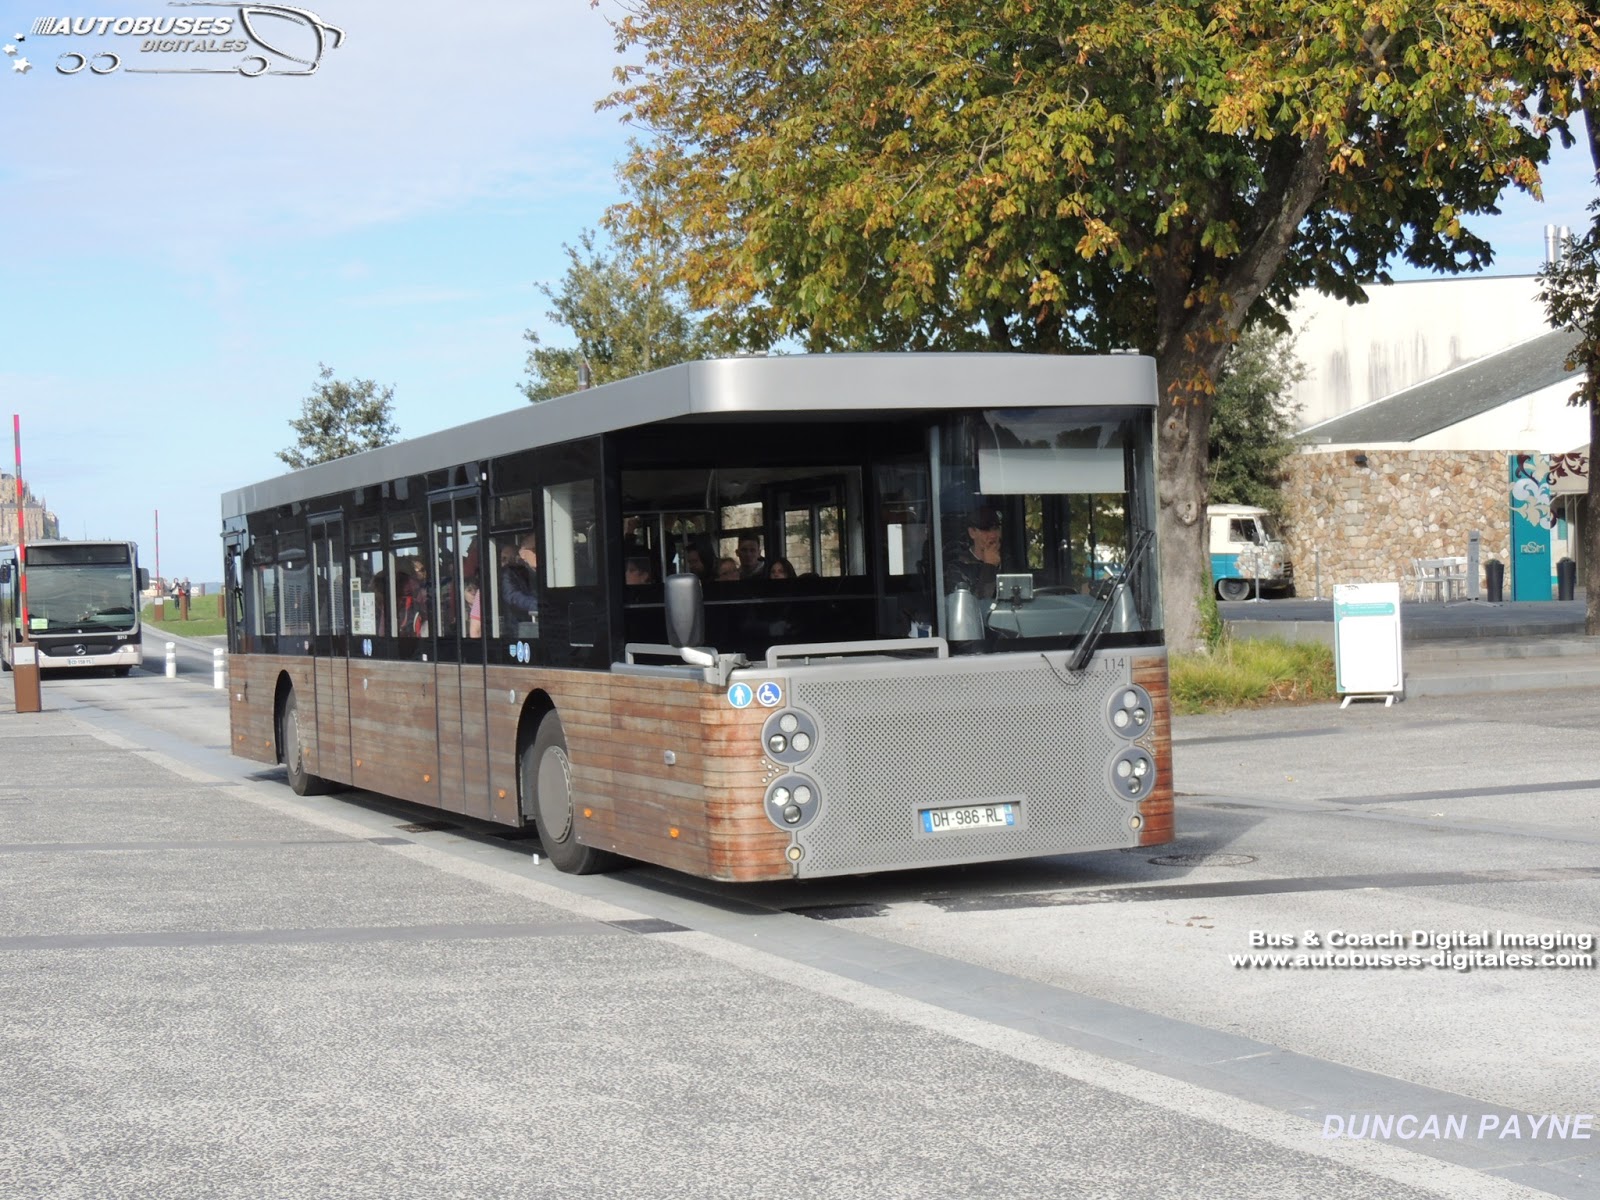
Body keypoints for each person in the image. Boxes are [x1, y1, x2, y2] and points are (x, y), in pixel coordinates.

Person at [947, 506, 1002, 599]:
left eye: (996, 528)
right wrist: (989, 567)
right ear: (972, 532)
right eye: (986, 529)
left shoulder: (1009, 561)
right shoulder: (958, 567)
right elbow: (973, 605)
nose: (993, 535)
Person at [500, 532, 539, 632]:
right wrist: (538, 605)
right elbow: (512, 596)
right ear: (522, 554)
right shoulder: (511, 572)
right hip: (520, 630)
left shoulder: (549, 570)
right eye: (534, 549)